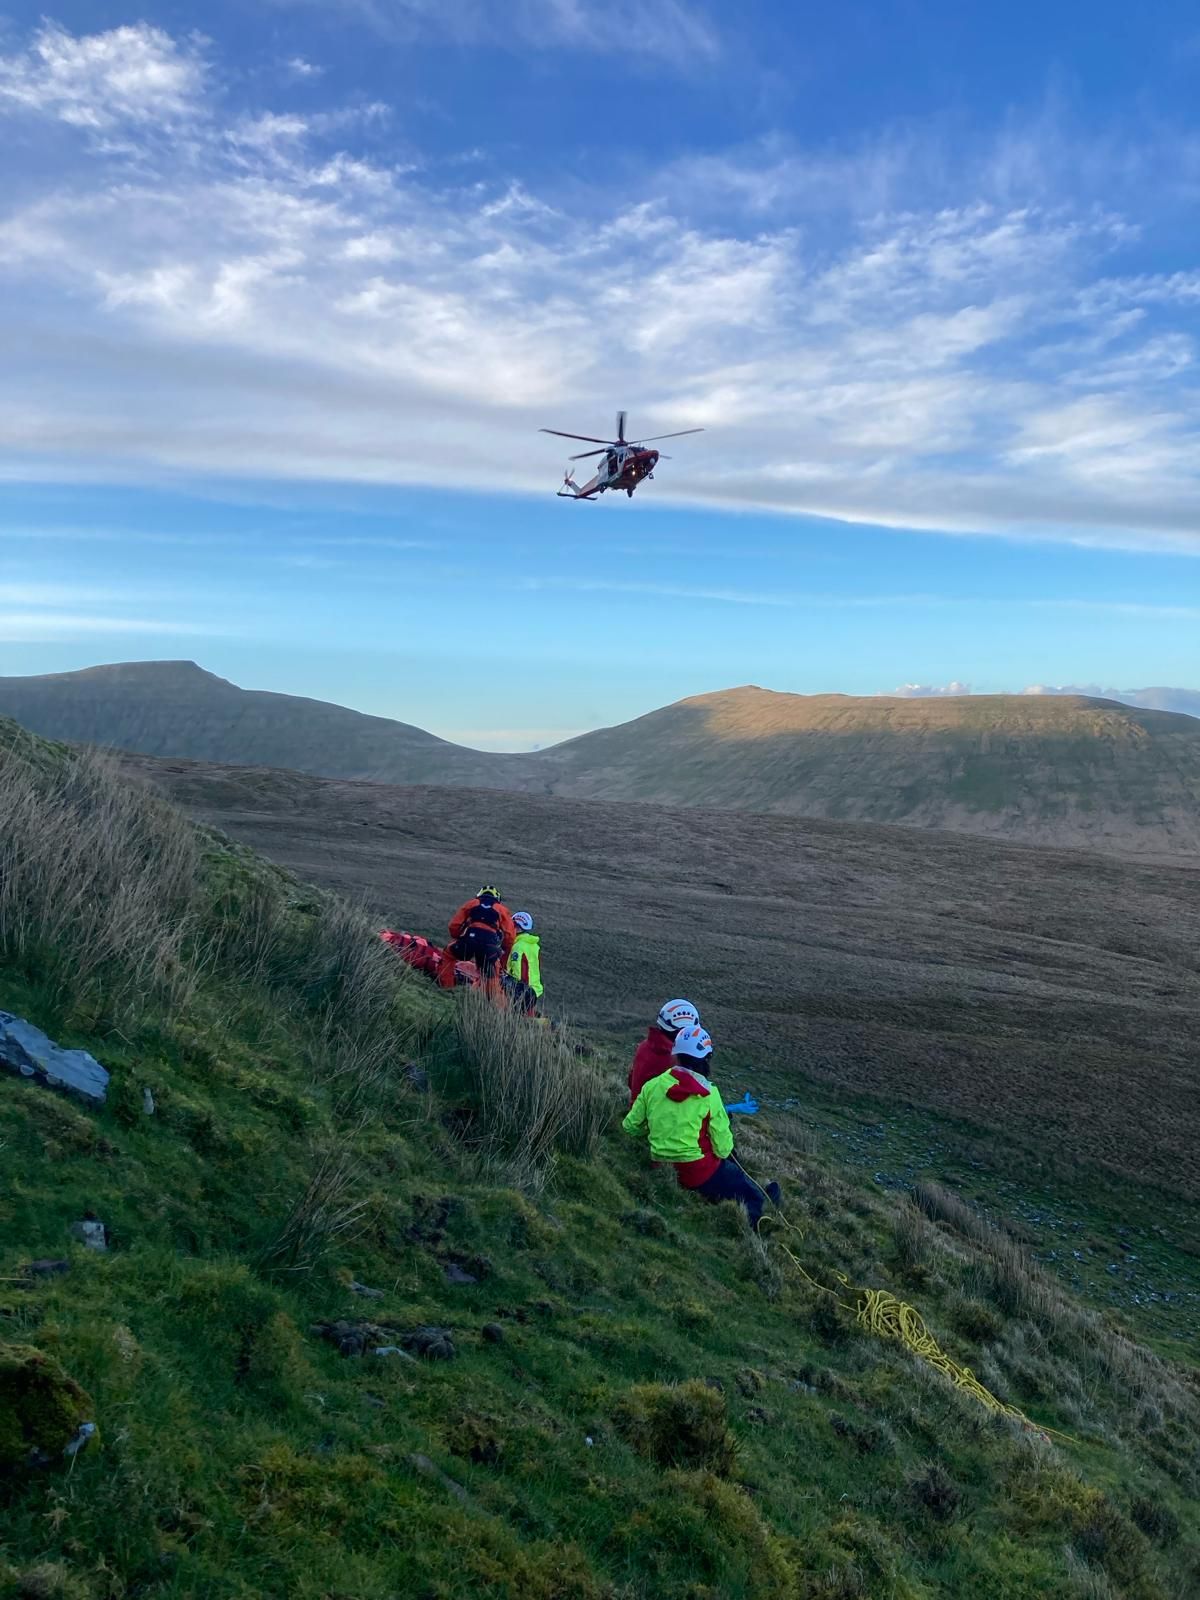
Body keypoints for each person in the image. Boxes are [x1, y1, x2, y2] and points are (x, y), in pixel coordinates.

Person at [622, 1024, 781, 1230]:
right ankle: (758, 1221)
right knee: (742, 1185)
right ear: (705, 1059)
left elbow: (630, 1127)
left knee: (727, 1178)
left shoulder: (652, 1086)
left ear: (676, 1055)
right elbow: (723, 1148)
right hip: (697, 1172)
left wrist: (658, 1130)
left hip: (661, 1165)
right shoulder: (709, 1094)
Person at [437, 885, 517, 990]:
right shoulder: (502, 910)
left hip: (469, 942)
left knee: (448, 953)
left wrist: (458, 938)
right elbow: (510, 936)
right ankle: (492, 1002)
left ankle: (446, 987)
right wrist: (503, 948)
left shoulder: (470, 904)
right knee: (491, 972)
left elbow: (454, 926)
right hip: (489, 946)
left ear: (479, 895)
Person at [628, 998, 699, 1106]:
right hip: (655, 1117)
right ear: (680, 1032)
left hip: (637, 1111)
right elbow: (687, 1100)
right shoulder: (673, 1059)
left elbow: (630, 1081)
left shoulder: (645, 1046)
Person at [507, 912, 543, 1009]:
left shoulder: (518, 947)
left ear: (517, 928)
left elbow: (517, 973)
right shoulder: (535, 946)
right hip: (535, 990)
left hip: (523, 991)